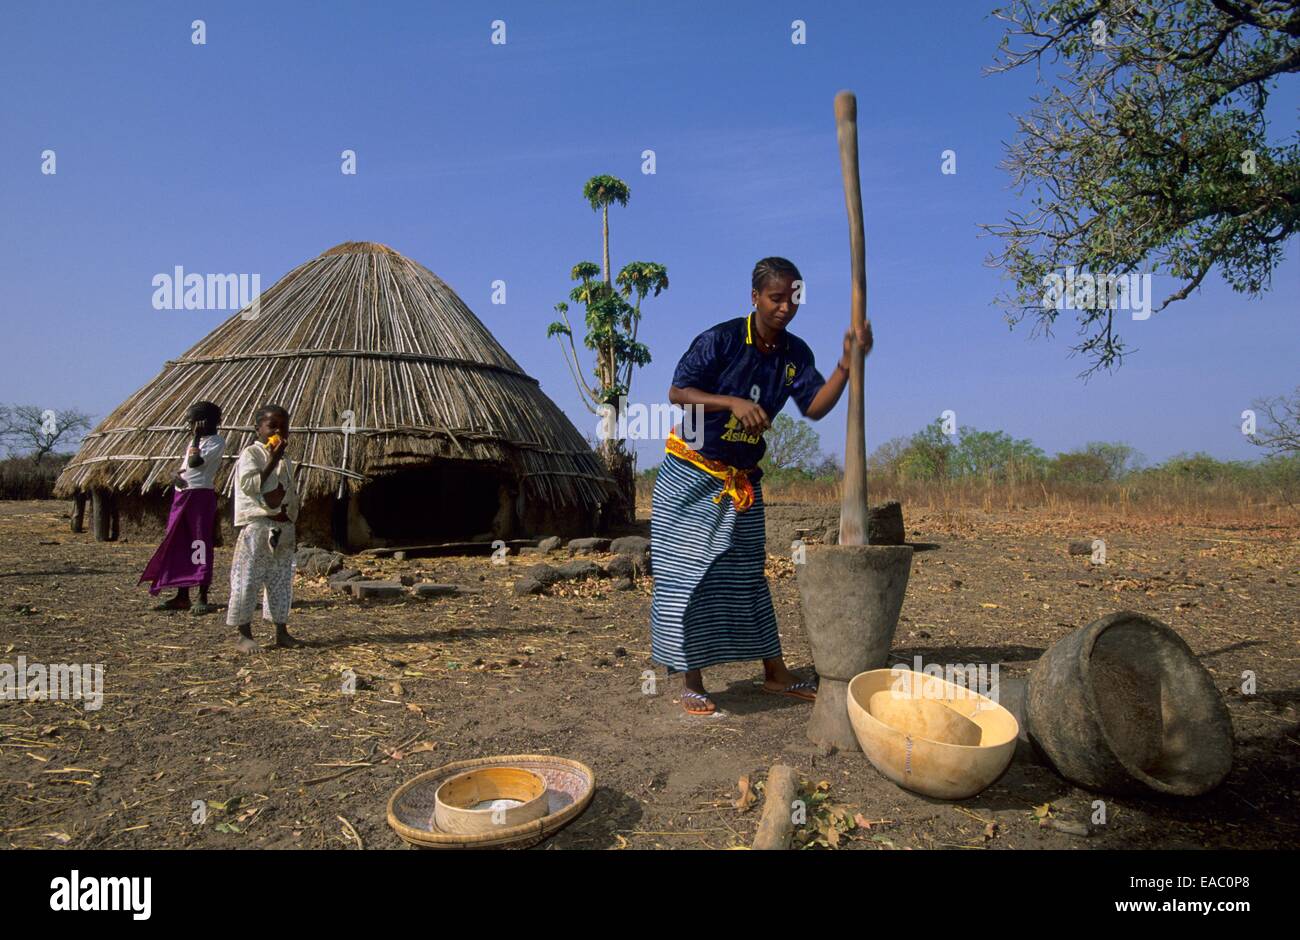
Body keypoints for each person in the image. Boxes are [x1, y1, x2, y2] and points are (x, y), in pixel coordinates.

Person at [651, 257, 872, 715]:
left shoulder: (794, 355)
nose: (785, 309)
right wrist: (730, 402)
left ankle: (775, 674)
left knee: (749, 575)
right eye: (776, 298)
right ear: (755, 297)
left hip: (743, 480)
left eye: (793, 299)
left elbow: (814, 406)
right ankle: (692, 680)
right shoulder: (721, 340)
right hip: (691, 473)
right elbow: (678, 392)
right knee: (693, 573)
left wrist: (845, 367)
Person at [227, 404, 302, 653]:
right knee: (248, 578)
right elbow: (249, 485)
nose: (279, 430)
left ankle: (281, 630)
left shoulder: (287, 459)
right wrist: (273, 459)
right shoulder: (252, 454)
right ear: (257, 428)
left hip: (282, 526)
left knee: (280, 579)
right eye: (272, 426)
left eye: (284, 426)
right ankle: (244, 634)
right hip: (257, 527)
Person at [139, 401, 225, 615]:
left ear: (205, 422)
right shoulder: (194, 441)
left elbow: (196, 463)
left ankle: (202, 595)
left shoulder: (216, 441)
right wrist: (177, 477)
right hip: (183, 495)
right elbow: (187, 467)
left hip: (199, 497)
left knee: (199, 543)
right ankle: (182, 595)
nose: (190, 426)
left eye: (193, 421)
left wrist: (196, 438)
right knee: (179, 542)